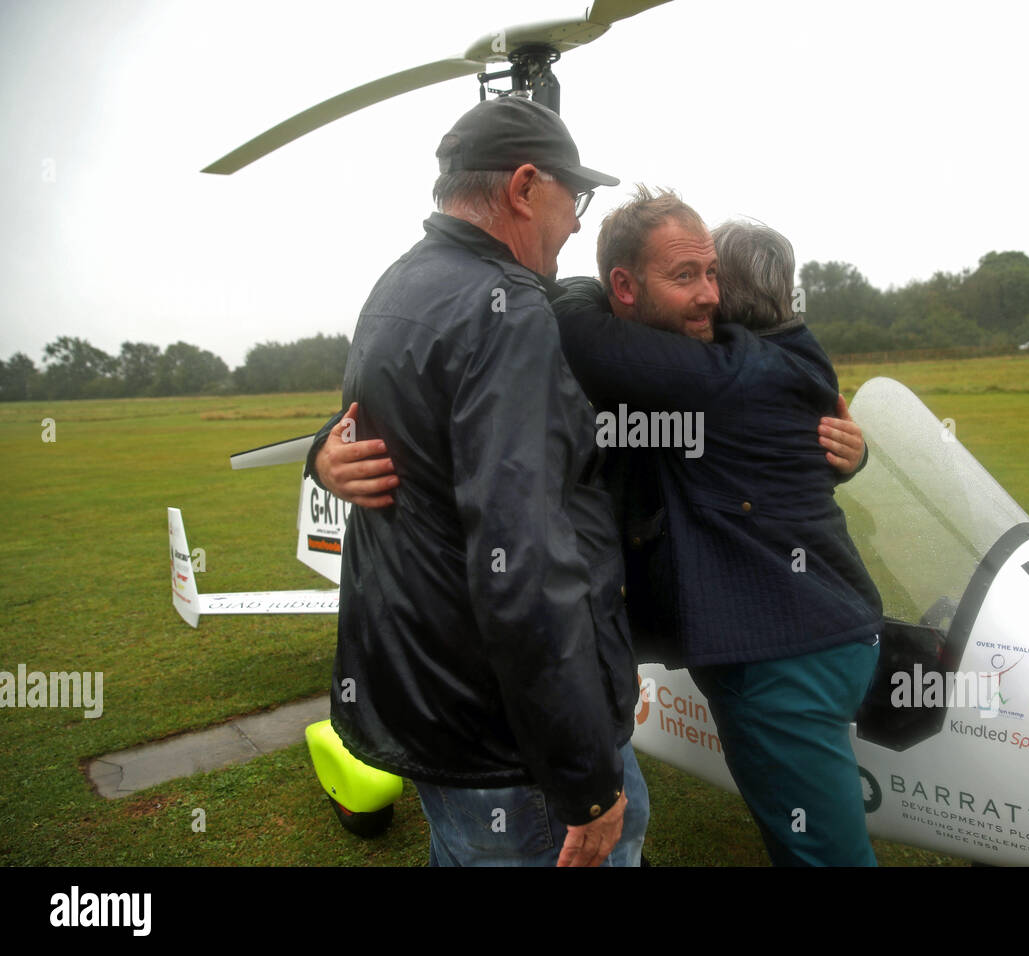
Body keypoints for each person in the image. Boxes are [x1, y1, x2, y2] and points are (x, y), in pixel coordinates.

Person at [315, 190, 879, 865]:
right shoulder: (682, 365)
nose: (705, 296)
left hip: (781, 641)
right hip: (712, 640)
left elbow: (577, 327)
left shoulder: (707, 368)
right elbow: (422, 385)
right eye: (688, 277)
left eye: (712, 277)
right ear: (625, 288)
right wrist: (327, 450)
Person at [321, 95, 647, 867]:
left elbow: (385, 427)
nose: (575, 223)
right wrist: (583, 778)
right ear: (526, 186)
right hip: (506, 735)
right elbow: (524, 568)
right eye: (577, 197)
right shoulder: (508, 313)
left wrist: (319, 457)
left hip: (431, 710)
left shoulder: (402, 283)